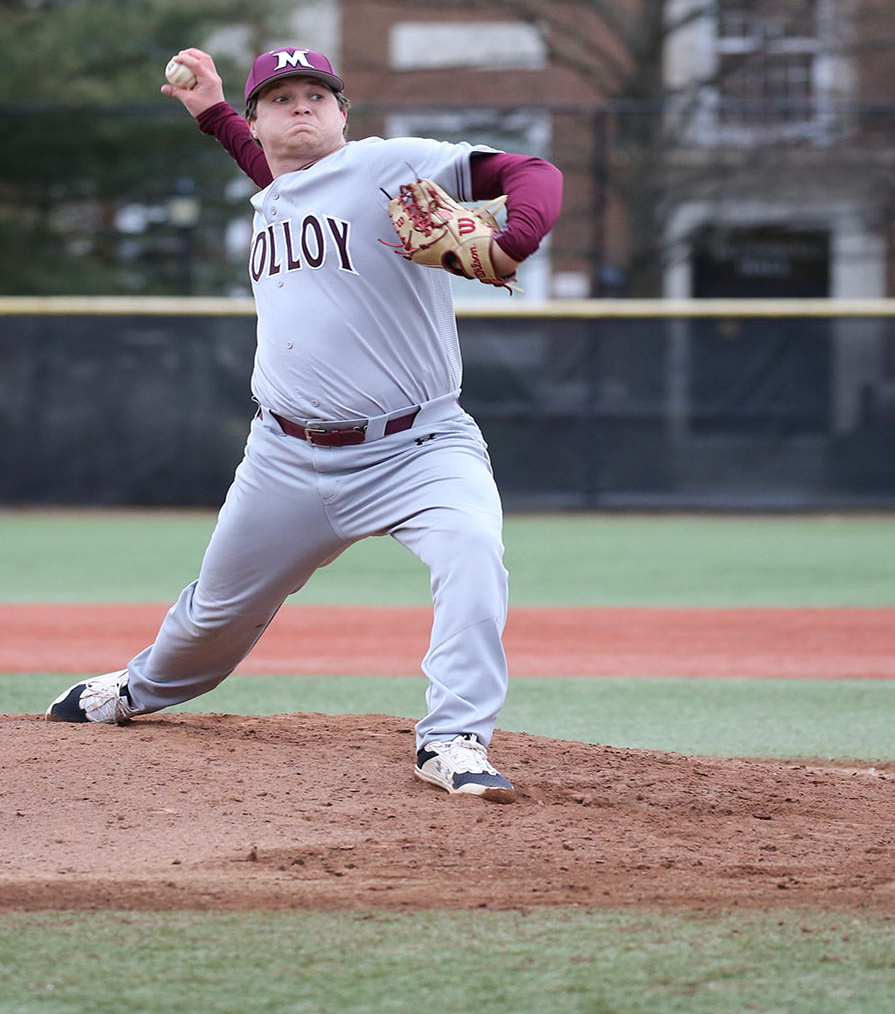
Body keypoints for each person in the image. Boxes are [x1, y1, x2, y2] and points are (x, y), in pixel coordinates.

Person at [46, 47, 564, 803]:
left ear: (343, 113)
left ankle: (453, 738)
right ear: (258, 120)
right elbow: (264, 162)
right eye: (281, 97)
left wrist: (515, 240)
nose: (301, 107)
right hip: (285, 457)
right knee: (216, 611)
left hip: (420, 446)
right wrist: (211, 112)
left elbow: (534, 172)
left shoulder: (386, 165)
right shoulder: (277, 187)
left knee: (473, 553)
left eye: (317, 95)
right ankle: (140, 688)